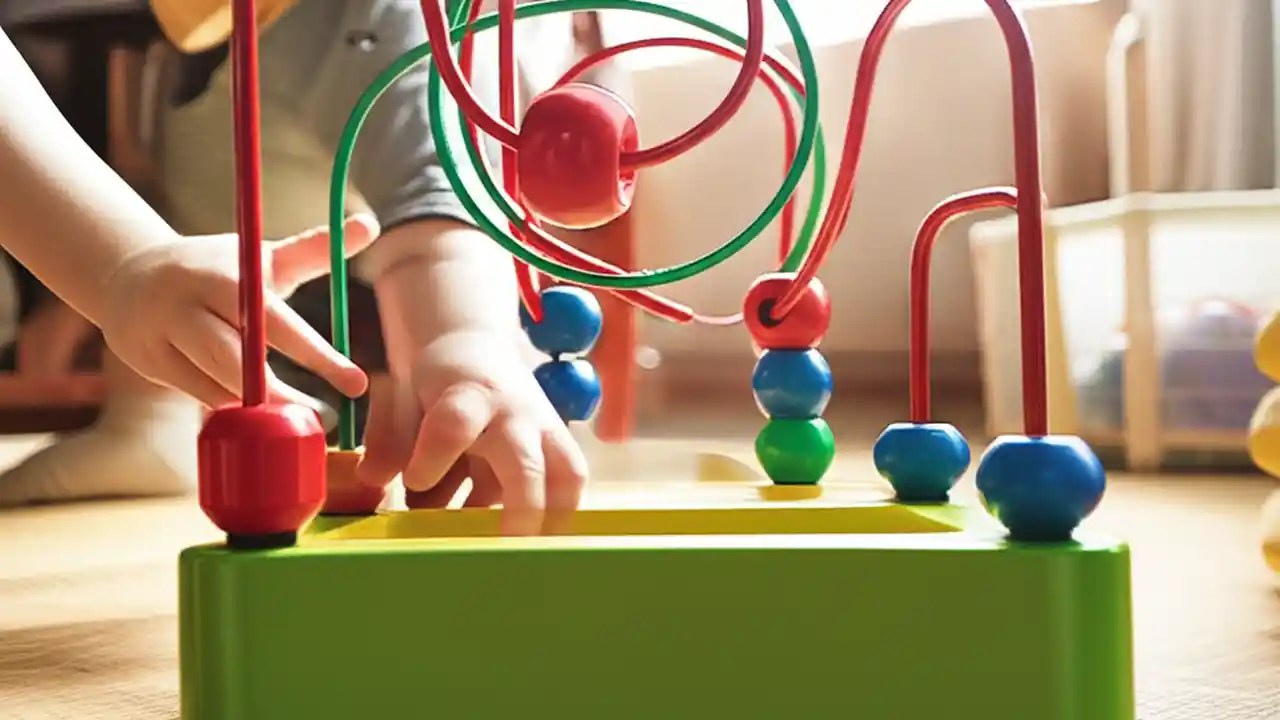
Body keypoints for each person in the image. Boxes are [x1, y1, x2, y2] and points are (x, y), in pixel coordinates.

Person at [1, 1, 588, 536]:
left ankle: (156, 417)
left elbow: (433, 213)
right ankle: (148, 422)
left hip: (329, 266)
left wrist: (465, 342)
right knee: (184, 281)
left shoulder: (379, 24)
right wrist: (118, 269)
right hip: (211, 215)